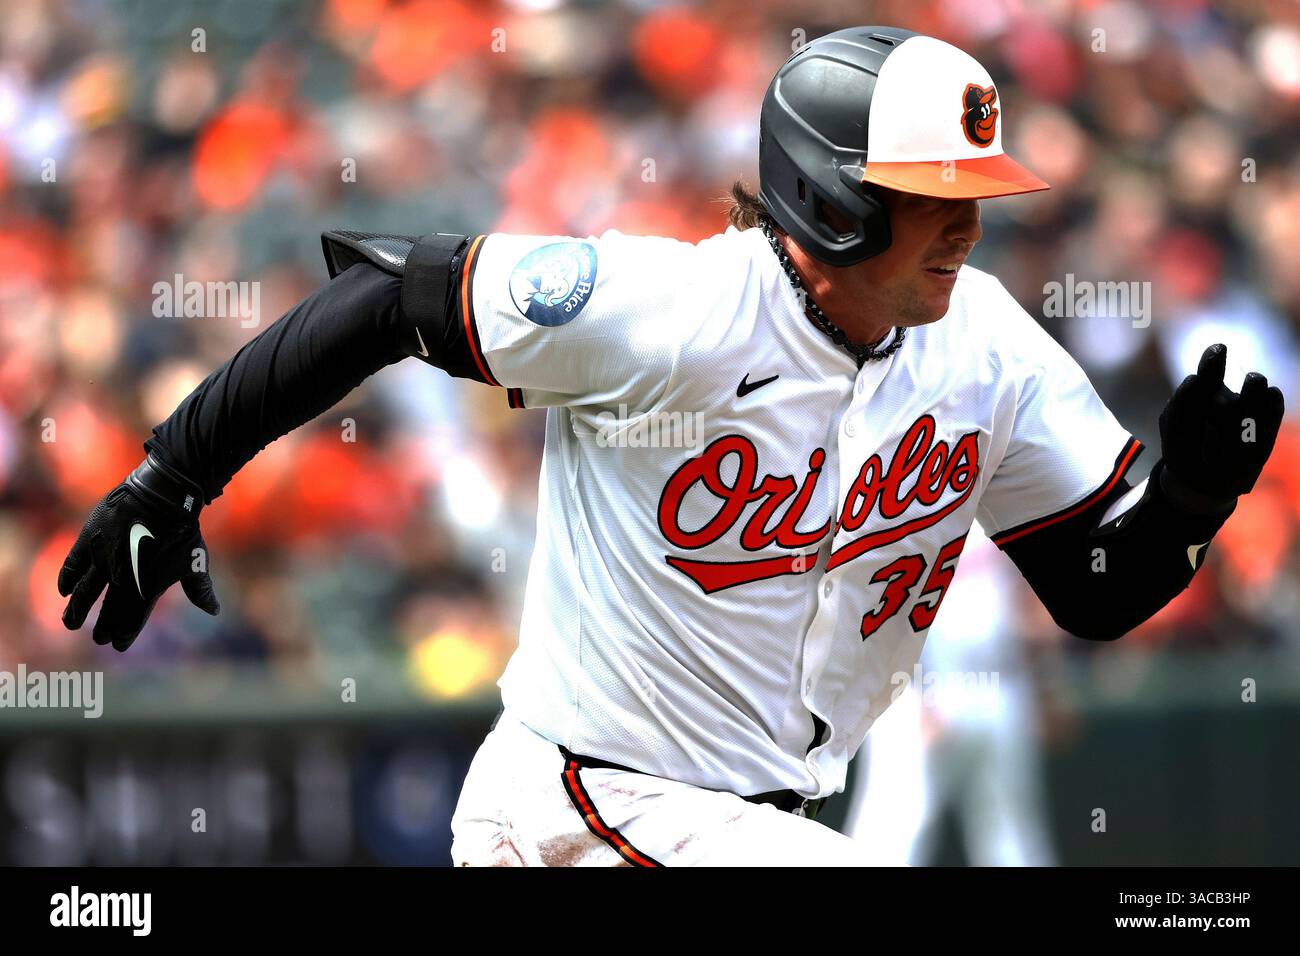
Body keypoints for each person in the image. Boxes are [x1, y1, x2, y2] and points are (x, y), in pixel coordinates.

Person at [58, 26, 1283, 866]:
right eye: (931, 192)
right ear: (834, 197)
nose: (966, 223)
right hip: (585, 805)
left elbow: (1090, 589)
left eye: (974, 191)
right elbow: (391, 296)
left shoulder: (991, 350)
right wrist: (174, 471)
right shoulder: (674, 308)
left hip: (743, 825)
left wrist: (1183, 498)